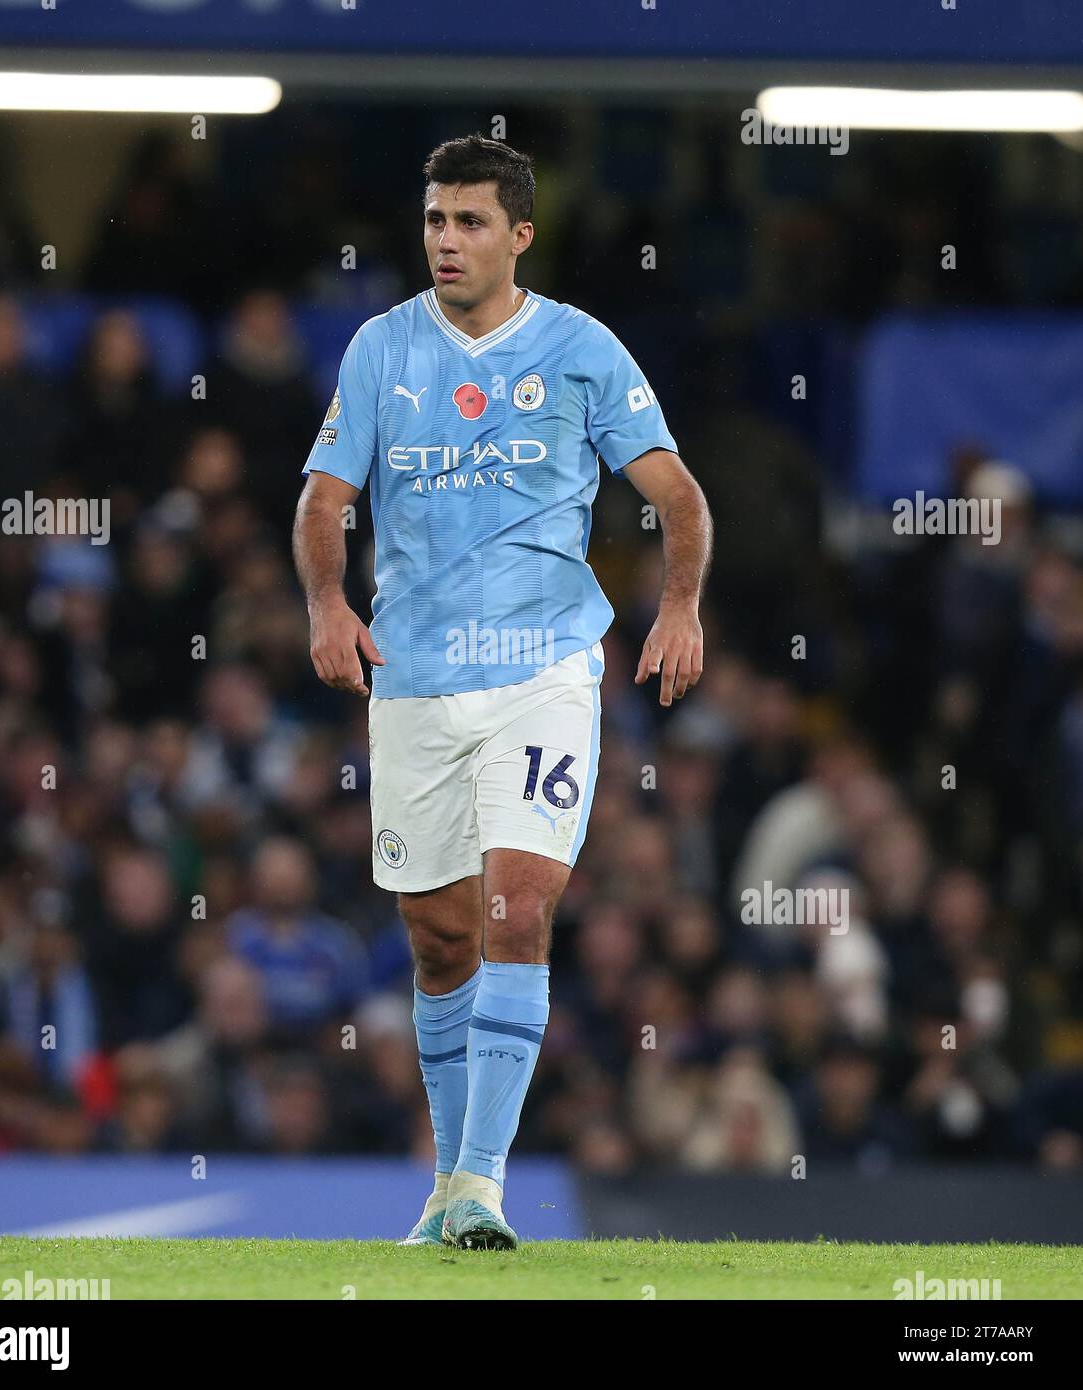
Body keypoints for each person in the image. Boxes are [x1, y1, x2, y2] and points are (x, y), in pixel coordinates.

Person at [291, 134, 713, 1249]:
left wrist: (678, 607)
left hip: (543, 671)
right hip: (415, 681)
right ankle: (446, 1184)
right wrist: (330, 607)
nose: (445, 239)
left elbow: (677, 495)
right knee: (437, 940)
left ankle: (480, 1184)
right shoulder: (382, 351)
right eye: (434, 219)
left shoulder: (578, 348)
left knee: (515, 910)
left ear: (518, 235)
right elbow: (324, 497)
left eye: (470, 221)